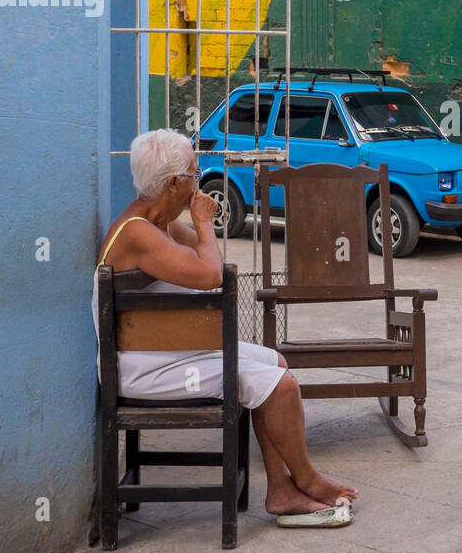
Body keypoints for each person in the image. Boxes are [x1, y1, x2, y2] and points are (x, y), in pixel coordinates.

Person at [94, 128, 357, 526]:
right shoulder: (137, 232)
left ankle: (281, 489)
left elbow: (203, 255)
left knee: (277, 364)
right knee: (281, 387)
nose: (199, 184)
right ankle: (307, 480)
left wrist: (198, 228)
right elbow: (210, 273)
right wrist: (202, 221)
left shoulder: (155, 222)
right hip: (141, 368)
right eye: (194, 176)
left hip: (162, 352)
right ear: (173, 183)